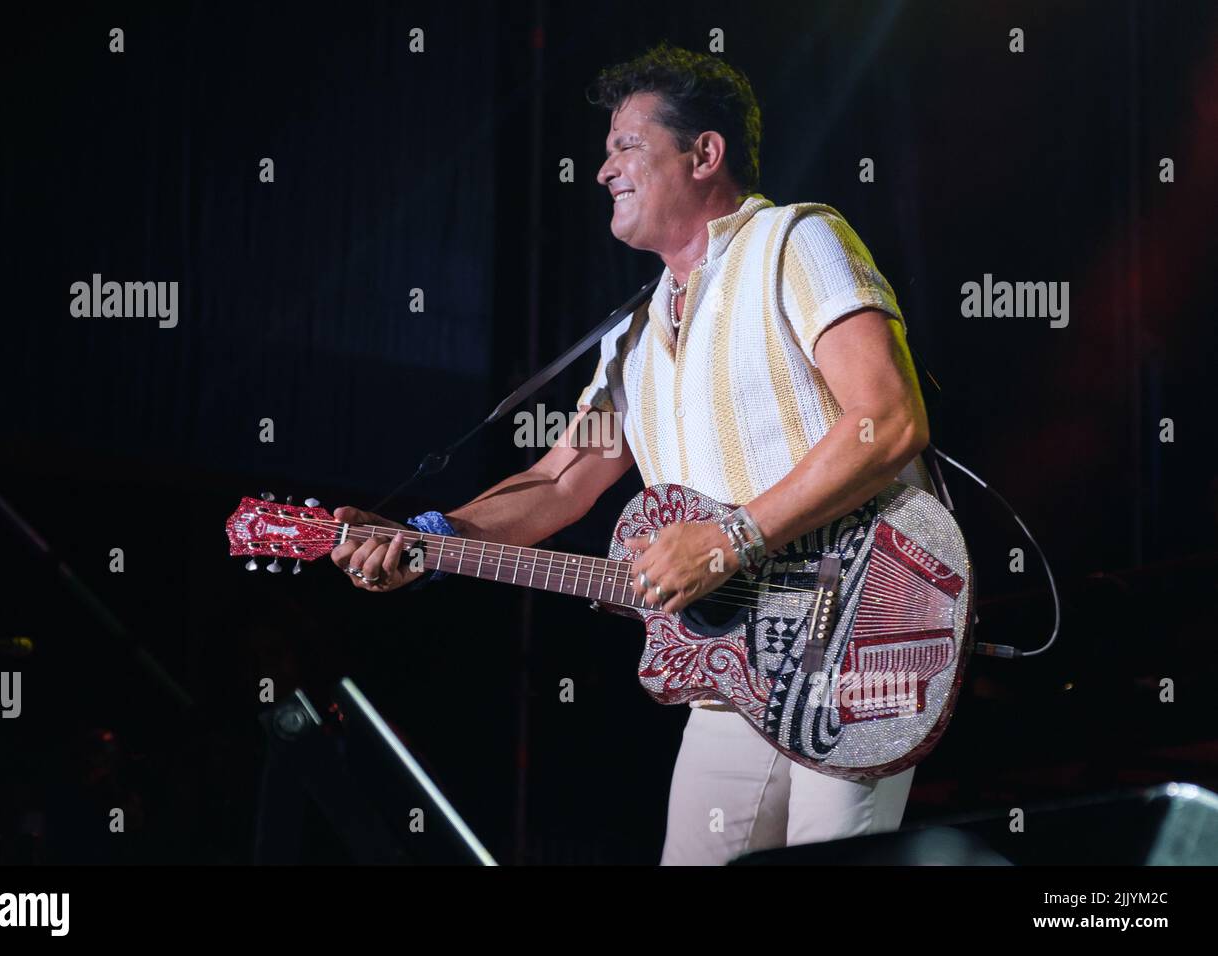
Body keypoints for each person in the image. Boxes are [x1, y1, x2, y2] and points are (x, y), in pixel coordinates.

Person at [331, 42, 934, 865]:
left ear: (704, 153)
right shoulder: (634, 337)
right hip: (734, 678)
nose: (601, 169)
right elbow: (558, 480)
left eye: (624, 146)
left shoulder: (797, 239)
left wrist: (730, 539)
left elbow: (890, 421)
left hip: (864, 632)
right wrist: (429, 535)